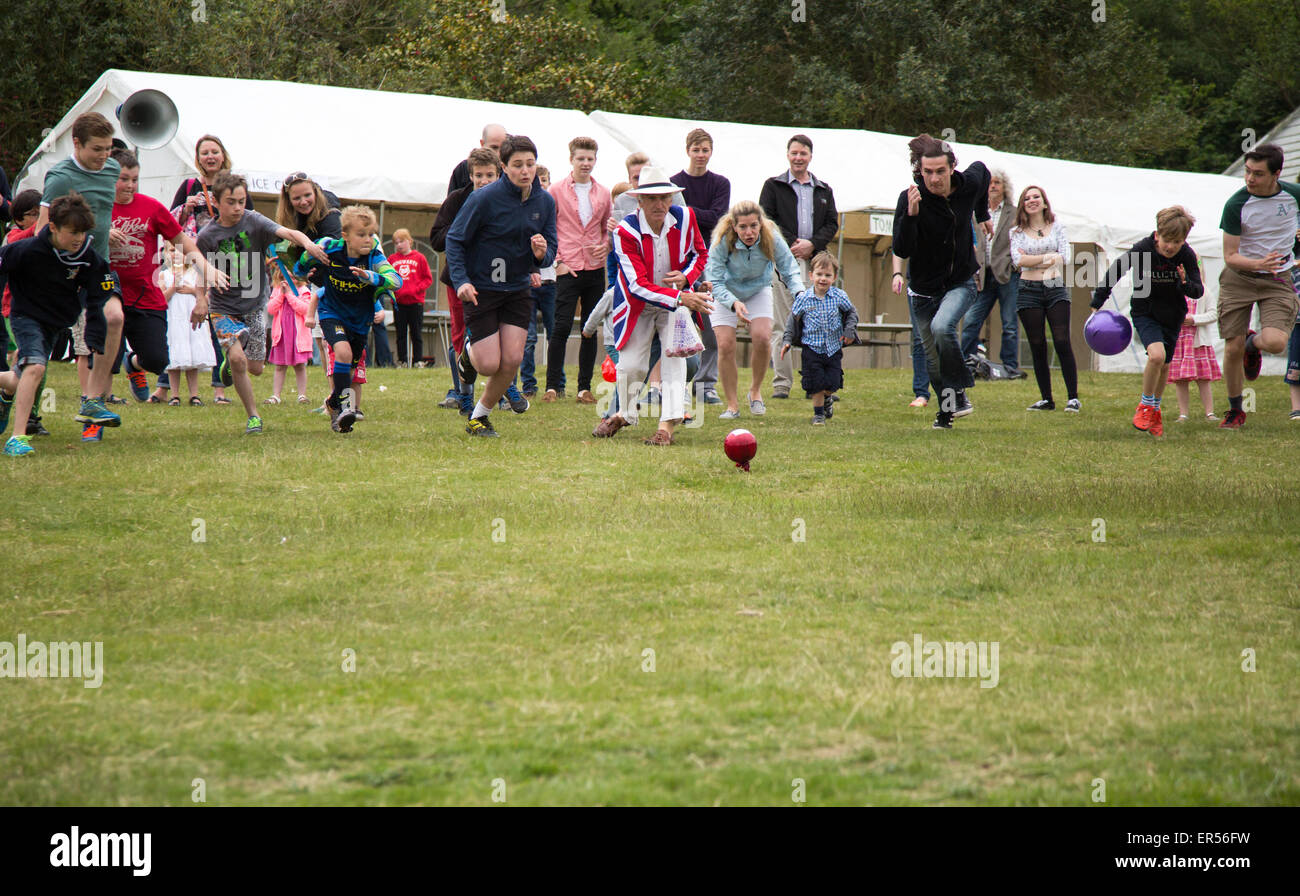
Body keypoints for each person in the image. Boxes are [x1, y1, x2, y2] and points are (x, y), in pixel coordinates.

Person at [197, 172, 328, 435]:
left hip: (255, 304)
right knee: (238, 361)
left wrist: (308, 244)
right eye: (231, 202)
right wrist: (201, 299)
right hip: (223, 307)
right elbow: (201, 271)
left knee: (256, 368)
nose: (237, 208)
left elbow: (288, 232)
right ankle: (253, 417)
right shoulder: (207, 236)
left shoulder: (253, 221)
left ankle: (234, 358)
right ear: (217, 201)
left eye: (242, 201)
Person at [591, 165, 712, 445]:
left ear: (672, 199)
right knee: (630, 366)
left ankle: (665, 428)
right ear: (639, 201)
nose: (660, 204)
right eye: (653, 198)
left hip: (675, 306)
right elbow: (636, 285)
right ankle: (623, 414)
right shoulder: (624, 231)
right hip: (637, 306)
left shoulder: (686, 217)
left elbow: (700, 254)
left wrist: (687, 277)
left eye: (665, 197)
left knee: (675, 358)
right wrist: (681, 297)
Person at [445, 134, 556, 437]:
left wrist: (542, 254)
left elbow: (551, 254)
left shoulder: (545, 201)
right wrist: (462, 281)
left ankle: (479, 417)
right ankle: (468, 352)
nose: (525, 171)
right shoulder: (483, 198)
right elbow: (454, 240)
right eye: (518, 165)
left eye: (530, 164)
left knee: (512, 360)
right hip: (481, 289)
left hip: (517, 289)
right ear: (504, 166)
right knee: (489, 364)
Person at [0, 194, 121, 456]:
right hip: (25, 317)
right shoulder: (26, 250)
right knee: (35, 366)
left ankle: (4, 391)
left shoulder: (88, 257)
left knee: (17, 379)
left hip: (55, 324)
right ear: (52, 227)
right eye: (72, 232)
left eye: (83, 232)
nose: (79, 238)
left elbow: (105, 283)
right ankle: (17, 438)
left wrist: (97, 324)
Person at [108, 148, 227, 409]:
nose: (129, 185)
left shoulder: (151, 208)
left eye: (134, 179)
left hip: (145, 296)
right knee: (105, 356)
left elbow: (184, 241)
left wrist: (206, 268)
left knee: (158, 360)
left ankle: (134, 363)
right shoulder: (98, 207)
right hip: (109, 292)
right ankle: (95, 404)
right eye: (123, 178)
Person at [36, 112, 126, 437]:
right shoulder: (60, 176)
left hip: (97, 266)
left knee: (114, 318)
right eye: (97, 149)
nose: (104, 156)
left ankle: (92, 401)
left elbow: (101, 213)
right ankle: (24, 405)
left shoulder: (113, 169)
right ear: (76, 143)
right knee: (40, 342)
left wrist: (108, 230)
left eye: (107, 148)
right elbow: (42, 227)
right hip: (61, 271)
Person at [891, 134, 989, 428]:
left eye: (940, 171)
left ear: (952, 167)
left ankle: (959, 393)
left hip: (960, 281)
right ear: (919, 171)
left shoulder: (968, 185)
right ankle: (946, 412)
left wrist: (981, 211)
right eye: (927, 172)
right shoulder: (910, 197)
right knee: (932, 361)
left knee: (942, 326)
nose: (934, 179)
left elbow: (983, 170)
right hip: (922, 291)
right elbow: (902, 249)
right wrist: (911, 216)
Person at [1090, 206, 1203, 436]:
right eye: (1166, 240)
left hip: (1173, 316)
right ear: (1157, 234)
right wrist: (1098, 299)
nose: (1170, 246)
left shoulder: (1187, 255)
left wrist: (1184, 283)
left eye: (1177, 241)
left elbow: (1197, 291)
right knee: (1157, 356)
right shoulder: (1142, 249)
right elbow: (1117, 270)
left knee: (1165, 366)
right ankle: (1145, 405)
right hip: (1145, 312)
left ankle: (1155, 410)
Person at [1215, 143, 1300, 428]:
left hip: (1277, 281)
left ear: (1276, 174)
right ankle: (1235, 409)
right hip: (1240, 277)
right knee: (1231, 348)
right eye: (1248, 172)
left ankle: (1254, 343)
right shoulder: (1236, 204)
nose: (1250, 179)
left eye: (1258, 174)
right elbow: (1230, 256)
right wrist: (1258, 264)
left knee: (1276, 343)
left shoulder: (1294, 196)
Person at [295, 204, 399, 432]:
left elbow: (396, 280)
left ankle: (333, 403)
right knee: (343, 353)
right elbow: (300, 266)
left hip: (360, 322)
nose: (367, 239)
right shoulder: (329, 248)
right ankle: (343, 408)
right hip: (332, 314)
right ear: (345, 236)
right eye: (361, 234)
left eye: (371, 234)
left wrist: (372, 277)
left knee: (349, 371)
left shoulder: (374, 258)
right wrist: (310, 268)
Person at [703, 200, 803, 419]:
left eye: (753, 226)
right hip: (725, 292)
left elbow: (789, 269)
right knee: (726, 344)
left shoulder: (771, 237)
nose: (749, 232)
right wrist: (733, 302)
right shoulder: (721, 241)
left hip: (758, 289)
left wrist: (800, 293)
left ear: (760, 223)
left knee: (762, 337)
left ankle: (755, 392)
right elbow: (715, 280)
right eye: (743, 227)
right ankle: (732, 405)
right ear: (733, 226)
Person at [759, 134, 839, 401]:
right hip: (785, 261)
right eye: (794, 153)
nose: (798, 158)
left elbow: (831, 224)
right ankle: (781, 384)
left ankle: (819, 383)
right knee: (782, 323)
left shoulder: (823, 189)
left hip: (817, 263)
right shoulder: (773, 186)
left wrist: (811, 244)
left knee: (820, 322)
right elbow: (766, 219)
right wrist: (792, 243)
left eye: (803, 153)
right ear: (787, 155)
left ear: (810, 156)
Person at [430, 147, 502, 413]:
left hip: (495, 278)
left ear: (499, 175)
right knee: (462, 336)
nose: (484, 180)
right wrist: (463, 229)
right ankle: (464, 395)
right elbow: (437, 239)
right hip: (459, 277)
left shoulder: (508, 201)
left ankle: (502, 391)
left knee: (499, 335)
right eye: (479, 175)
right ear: (470, 176)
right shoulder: (456, 201)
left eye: (489, 175)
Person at [168, 134, 234, 405]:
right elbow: (170, 220)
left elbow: (247, 219)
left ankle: (219, 389)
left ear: (222, 155)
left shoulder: (233, 185)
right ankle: (167, 388)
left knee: (218, 321)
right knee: (180, 321)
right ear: (198, 158)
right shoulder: (189, 185)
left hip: (223, 258)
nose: (210, 157)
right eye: (205, 152)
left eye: (214, 152)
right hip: (192, 259)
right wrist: (187, 206)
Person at [544, 137, 610, 406]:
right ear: (571, 159)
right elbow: (548, 228)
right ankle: (552, 386)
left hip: (594, 268)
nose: (585, 163)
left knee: (590, 328)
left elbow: (608, 228)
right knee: (560, 327)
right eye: (581, 158)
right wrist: (557, 261)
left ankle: (584, 388)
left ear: (595, 160)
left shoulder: (604, 193)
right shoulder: (556, 191)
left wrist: (606, 246)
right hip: (567, 267)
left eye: (590, 159)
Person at [671, 128, 731, 405]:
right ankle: (675, 381)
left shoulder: (720, 184)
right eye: (696, 149)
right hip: (678, 260)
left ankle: (706, 384)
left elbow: (717, 219)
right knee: (673, 320)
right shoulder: (673, 184)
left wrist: (687, 212)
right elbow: (672, 220)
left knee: (710, 322)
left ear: (711, 151)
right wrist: (696, 215)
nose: (700, 155)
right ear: (688, 151)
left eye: (705, 149)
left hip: (710, 259)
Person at [1010, 185, 1079, 414]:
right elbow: (1017, 261)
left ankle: (1073, 398)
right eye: (1027, 198)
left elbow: (1065, 257)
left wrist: (1033, 259)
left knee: (1061, 340)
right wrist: (1048, 257)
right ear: (1023, 204)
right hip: (1028, 288)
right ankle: (1046, 399)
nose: (1032, 200)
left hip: (1054, 285)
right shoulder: (1016, 233)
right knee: (1037, 344)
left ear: (1044, 202)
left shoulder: (1057, 226)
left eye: (1036, 197)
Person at [780, 252, 858, 424]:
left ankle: (828, 398)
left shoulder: (839, 296)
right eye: (819, 274)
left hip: (833, 347)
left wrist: (849, 331)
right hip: (811, 349)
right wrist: (786, 341)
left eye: (827, 275)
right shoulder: (804, 298)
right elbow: (792, 320)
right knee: (815, 383)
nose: (823, 279)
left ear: (835, 277)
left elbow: (852, 312)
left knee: (832, 383)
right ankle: (818, 415)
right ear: (810, 275)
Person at [961, 168, 1023, 377]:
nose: (993, 186)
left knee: (1009, 323)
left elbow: (1021, 241)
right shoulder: (976, 213)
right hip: (982, 275)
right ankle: (964, 363)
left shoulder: (1014, 213)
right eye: (990, 183)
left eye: (998, 182)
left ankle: (1010, 368)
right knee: (970, 320)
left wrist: (1014, 265)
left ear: (1005, 188)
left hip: (1007, 275)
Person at [2, 191, 49, 434]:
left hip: (42, 310)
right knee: (30, 360)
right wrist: (44, 223)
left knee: (40, 368)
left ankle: (27, 411)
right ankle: (18, 405)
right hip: (15, 308)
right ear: (20, 218)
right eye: (35, 214)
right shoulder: (14, 236)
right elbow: (25, 240)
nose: (41, 218)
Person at [159, 243, 215, 406]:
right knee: (174, 358)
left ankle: (194, 394)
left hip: (190, 319)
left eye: (181, 251)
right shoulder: (164, 275)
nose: (175, 254)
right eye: (171, 250)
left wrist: (192, 290)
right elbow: (161, 299)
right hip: (174, 320)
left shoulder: (196, 274)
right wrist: (173, 287)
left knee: (191, 357)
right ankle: (174, 395)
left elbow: (206, 297)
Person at [520, 165, 557, 398]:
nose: (540, 183)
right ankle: (529, 384)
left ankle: (556, 383)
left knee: (555, 333)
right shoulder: (525, 208)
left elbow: (555, 242)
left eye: (544, 179)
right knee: (528, 337)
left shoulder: (550, 206)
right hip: (527, 282)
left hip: (550, 281)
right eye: (538, 179)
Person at [1170, 270, 1222, 424]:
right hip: (1178, 342)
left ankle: (1210, 413)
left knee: (1203, 379)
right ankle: (1183, 414)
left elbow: (1214, 314)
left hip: (1198, 342)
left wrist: (1194, 319)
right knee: (1180, 380)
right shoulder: (1172, 290)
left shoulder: (1204, 290)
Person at [265, 262, 314, 405]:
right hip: (281, 335)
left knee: (299, 365)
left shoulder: (303, 290)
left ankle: (302, 395)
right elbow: (271, 309)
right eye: (286, 273)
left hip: (298, 336)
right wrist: (281, 294)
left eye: (293, 274)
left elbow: (304, 309)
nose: (290, 277)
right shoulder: (277, 290)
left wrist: (290, 296)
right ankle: (276, 395)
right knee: (280, 366)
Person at [387, 228, 432, 366]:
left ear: (410, 241)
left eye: (402, 241)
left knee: (416, 333)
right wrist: (392, 291)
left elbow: (428, 279)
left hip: (415, 302)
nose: (399, 245)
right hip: (399, 302)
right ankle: (402, 361)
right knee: (400, 334)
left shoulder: (419, 258)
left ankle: (418, 360)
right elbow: (387, 278)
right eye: (396, 242)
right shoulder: (392, 259)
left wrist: (416, 289)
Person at [892, 253, 931, 407]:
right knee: (920, 336)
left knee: (943, 333)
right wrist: (897, 274)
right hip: (917, 282)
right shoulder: (912, 227)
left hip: (944, 281)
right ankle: (921, 393)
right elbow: (899, 246)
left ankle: (952, 389)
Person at [448, 124, 507, 194]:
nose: (499, 153)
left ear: (497, 176)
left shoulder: (509, 172)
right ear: (482, 143)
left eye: (490, 175)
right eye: (494, 147)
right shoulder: (462, 170)